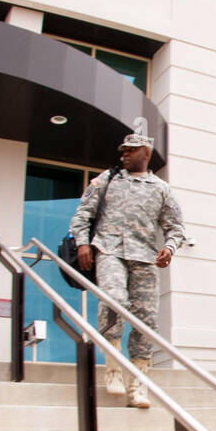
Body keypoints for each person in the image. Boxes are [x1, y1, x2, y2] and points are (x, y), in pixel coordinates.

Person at [68, 132, 185, 408]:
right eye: (123, 151)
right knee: (113, 300)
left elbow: (175, 227)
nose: (124, 155)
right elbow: (82, 215)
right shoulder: (106, 181)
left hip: (144, 258)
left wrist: (169, 248)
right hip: (109, 251)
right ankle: (112, 369)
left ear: (145, 152)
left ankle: (139, 385)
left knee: (147, 321)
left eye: (131, 150)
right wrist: (83, 243)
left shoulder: (161, 188)